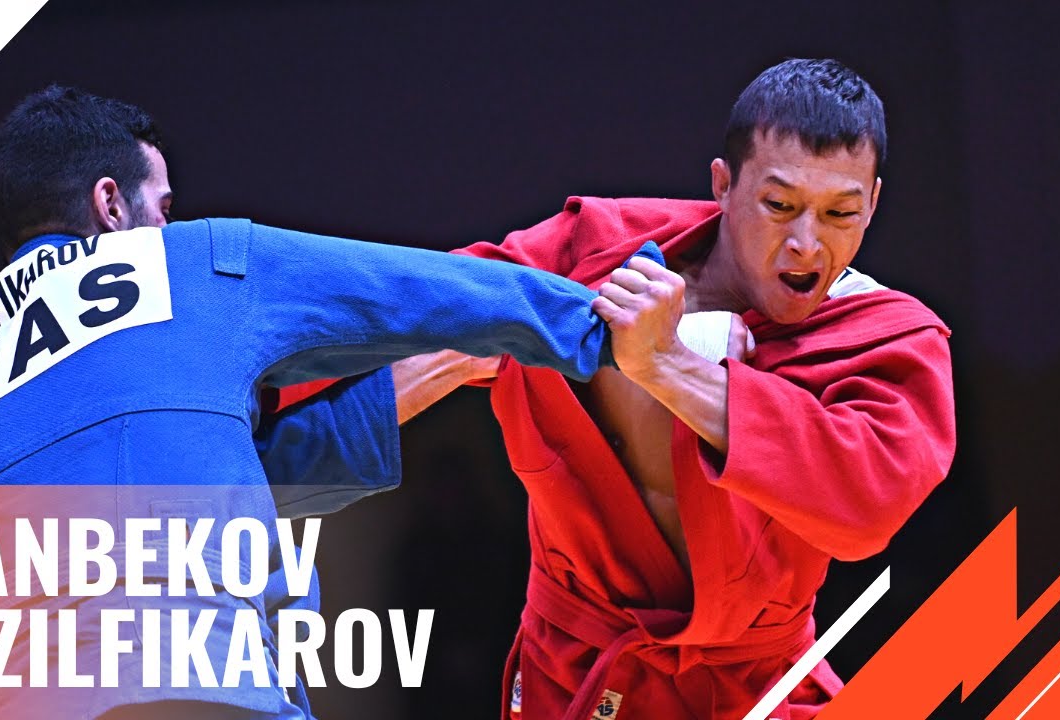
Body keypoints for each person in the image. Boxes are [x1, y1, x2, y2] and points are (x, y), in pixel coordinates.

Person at [0, 85, 664, 720]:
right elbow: (406, 290)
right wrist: (611, 326)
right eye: (161, 208)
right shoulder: (182, 264)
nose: (166, 227)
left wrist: (454, 362)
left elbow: (223, 475)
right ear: (110, 204)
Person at [307, 58, 957, 719]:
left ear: (872, 201)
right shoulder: (595, 249)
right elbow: (417, 307)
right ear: (724, 184)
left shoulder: (888, 339)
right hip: (576, 675)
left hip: (754, 688)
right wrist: (270, 435)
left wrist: (666, 367)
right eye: (780, 206)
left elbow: (868, 503)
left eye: (840, 213)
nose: (806, 245)